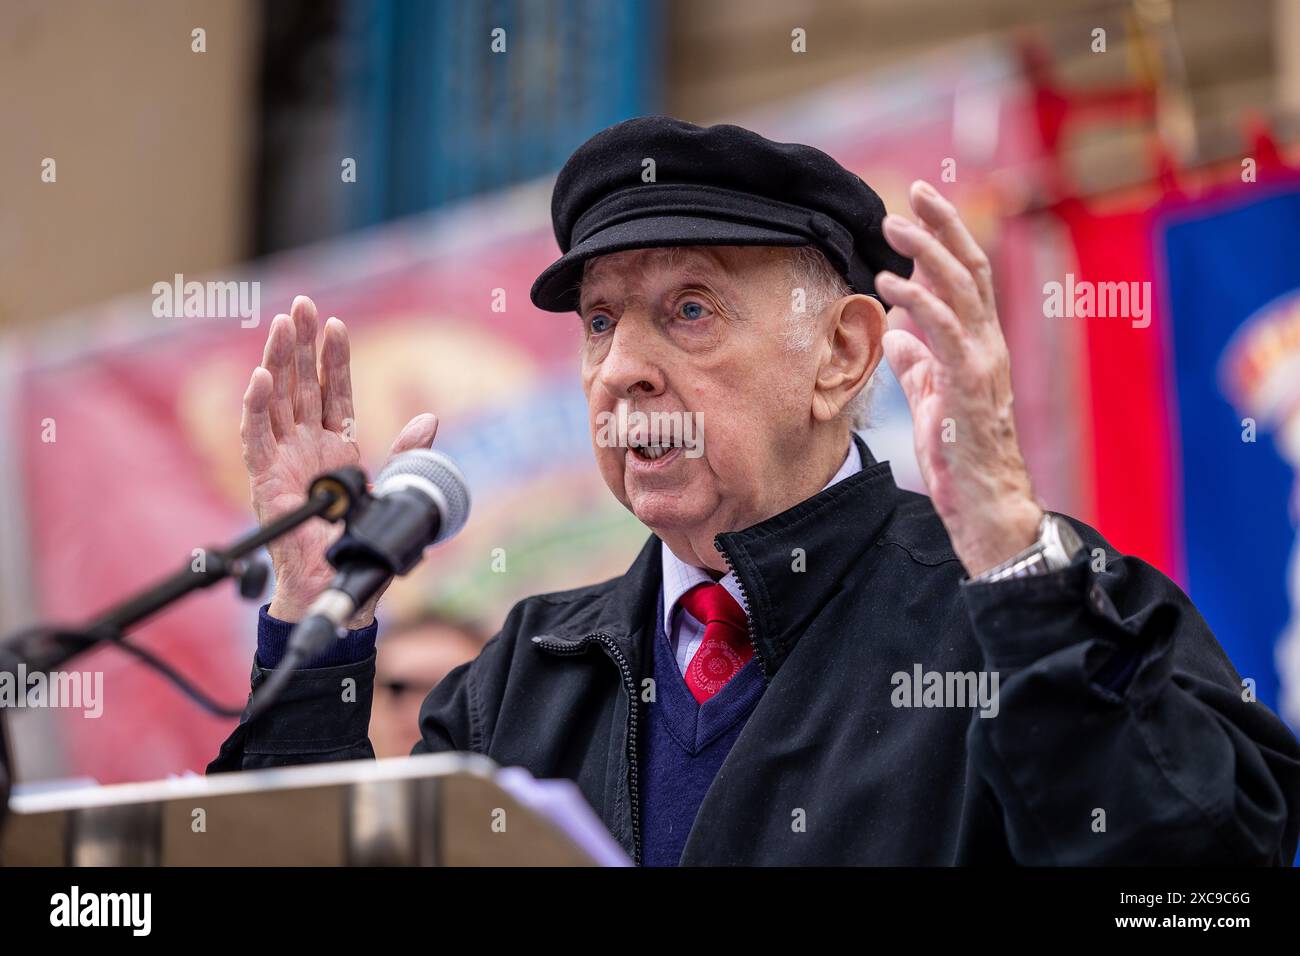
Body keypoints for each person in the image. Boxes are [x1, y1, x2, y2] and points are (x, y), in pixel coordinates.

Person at [210, 116, 1300, 866]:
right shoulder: (522, 681)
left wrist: (1016, 566)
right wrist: (312, 609)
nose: (620, 365)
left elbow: (1197, 881)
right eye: (599, 319)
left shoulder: (1029, 602)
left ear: (840, 352)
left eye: (688, 309)